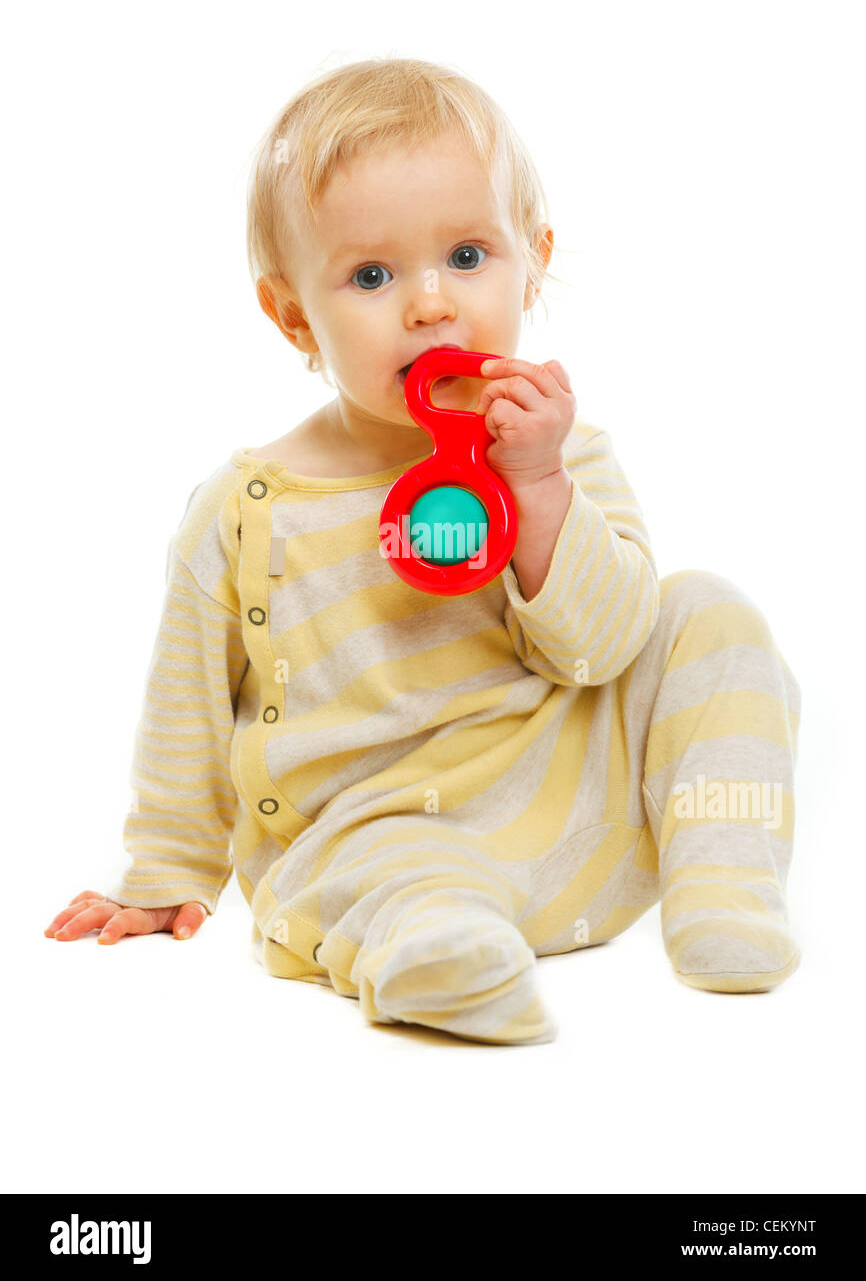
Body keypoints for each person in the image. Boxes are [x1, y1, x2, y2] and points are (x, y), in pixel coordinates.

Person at [44, 57, 802, 1045]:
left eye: (468, 255)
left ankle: (721, 879)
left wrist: (535, 491)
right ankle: (443, 949)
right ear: (290, 315)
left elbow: (605, 650)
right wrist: (166, 870)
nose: (431, 304)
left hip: (575, 806)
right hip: (376, 829)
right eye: (371, 275)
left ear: (532, 258)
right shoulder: (247, 507)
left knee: (707, 608)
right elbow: (184, 699)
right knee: (392, 874)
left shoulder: (560, 455)